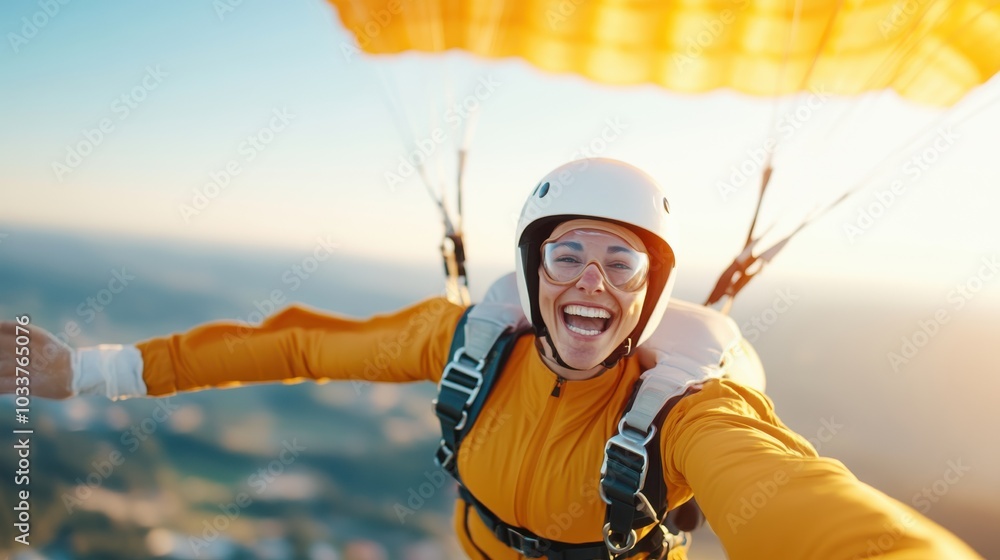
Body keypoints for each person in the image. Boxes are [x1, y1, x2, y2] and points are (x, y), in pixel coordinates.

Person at [0, 159, 983, 559]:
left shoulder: (689, 407)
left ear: (653, 286)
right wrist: (83, 371)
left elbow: (795, 496)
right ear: (529, 265)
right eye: (566, 251)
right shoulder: (472, 340)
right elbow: (297, 342)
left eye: (620, 258)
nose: (590, 279)